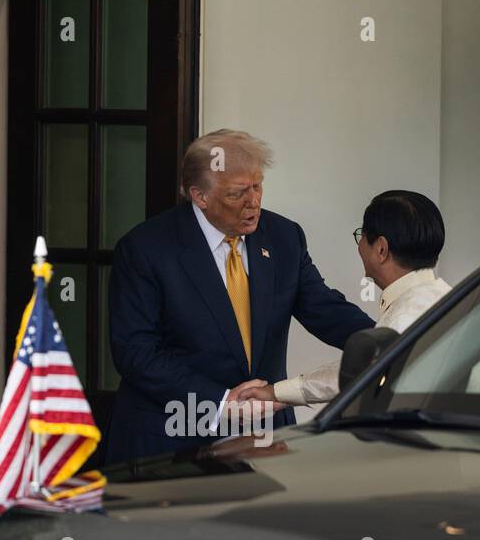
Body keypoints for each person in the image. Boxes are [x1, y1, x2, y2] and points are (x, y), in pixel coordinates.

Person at [105, 129, 374, 462]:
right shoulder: (146, 249)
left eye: (258, 186)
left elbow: (324, 308)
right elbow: (136, 352)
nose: (254, 202)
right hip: (173, 437)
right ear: (199, 196)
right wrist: (220, 402)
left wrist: (389, 344)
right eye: (238, 193)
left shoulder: (283, 237)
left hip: (265, 439)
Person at [235, 189, 451, 410]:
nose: (359, 246)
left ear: (381, 249)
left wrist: (275, 392)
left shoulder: (403, 319)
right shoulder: (452, 300)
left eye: (361, 236)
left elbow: (362, 372)